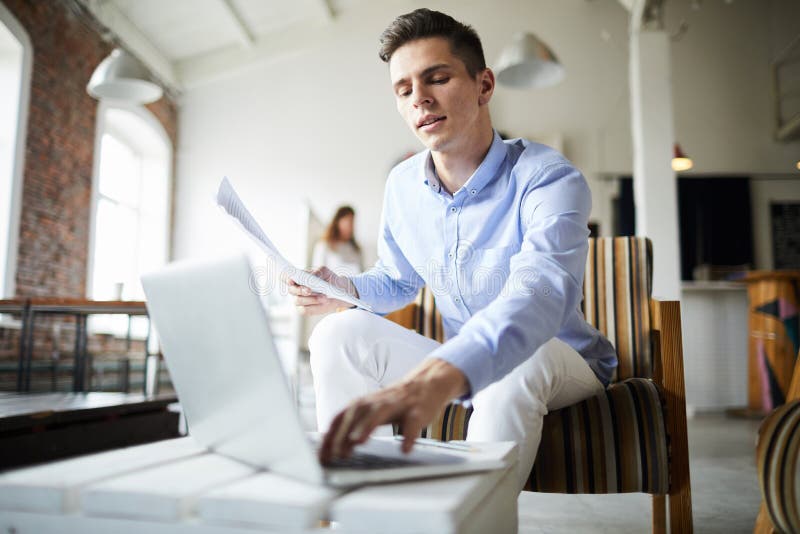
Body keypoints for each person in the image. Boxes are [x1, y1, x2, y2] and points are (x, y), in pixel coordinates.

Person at [288, 8, 617, 492]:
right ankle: (361, 509)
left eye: (436, 79)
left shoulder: (547, 176)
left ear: (484, 85)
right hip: (457, 355)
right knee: (339, 334)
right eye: (403, 90)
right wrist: (345, 289)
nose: (419, 98)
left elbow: (540, 291)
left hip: (561, 358)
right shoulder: (401, 185)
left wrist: (448, 372)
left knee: (515, 362)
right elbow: (397, 279)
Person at [312, 206, 364, 277]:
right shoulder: (324, 245)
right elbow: (317, 275)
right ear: (337, 222)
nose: (351, 226)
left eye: (352, 222)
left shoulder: (356, 249)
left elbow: (362, 273)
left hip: (352, 287)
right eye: (348, 221)